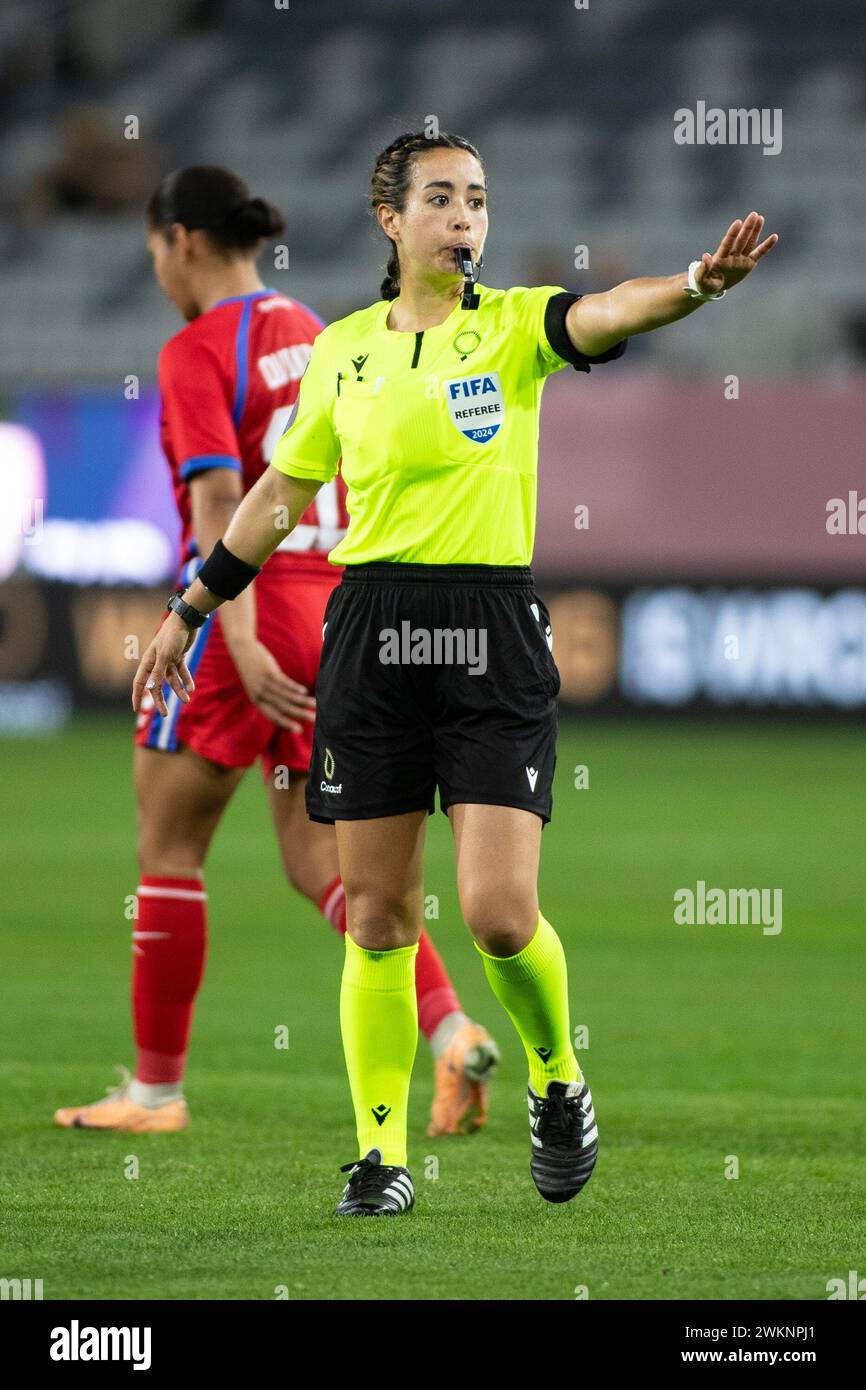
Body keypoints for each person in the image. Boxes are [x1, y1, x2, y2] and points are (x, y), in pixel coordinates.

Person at [131, 133, 778, 1214]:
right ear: (390, 219)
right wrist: (191, 607)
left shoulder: (513, 326)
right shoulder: (341, 352)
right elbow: (277, 497)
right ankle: (380, 1158)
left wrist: (693, 288)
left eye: (475, 198)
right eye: (440, 198)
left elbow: (611, 308)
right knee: (377, 912)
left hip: (487, 628)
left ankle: (556, 1078)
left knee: (494, 914)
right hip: (369, 627)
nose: (463, 217)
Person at [55, 164, 499, 1139]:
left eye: (153, 253)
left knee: (169, 847)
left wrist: (234, 631)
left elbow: (224, 503)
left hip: (242, 618)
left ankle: (155, 1093)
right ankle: (450, 1029)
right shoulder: (319, 332)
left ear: (180, 242)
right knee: (319, 864)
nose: (158, 271)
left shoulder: (195, 349)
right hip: (335, 612)